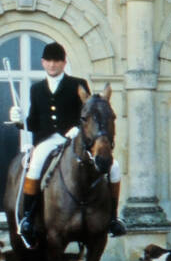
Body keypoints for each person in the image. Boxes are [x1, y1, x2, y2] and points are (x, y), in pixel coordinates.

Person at [10, 41, 124, 243]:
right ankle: (28, 217)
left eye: (57, 61)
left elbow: (89, 114)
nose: (52, 65)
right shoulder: (36, 89)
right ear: (43, 63)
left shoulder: (77, 84)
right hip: (47, 140)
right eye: (49, 61)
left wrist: (77, 130)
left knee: (114, 167)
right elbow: (33, 121)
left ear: (64, 63)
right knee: (34, 166)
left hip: (73, 138)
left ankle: (113, 218)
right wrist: (19, 121)